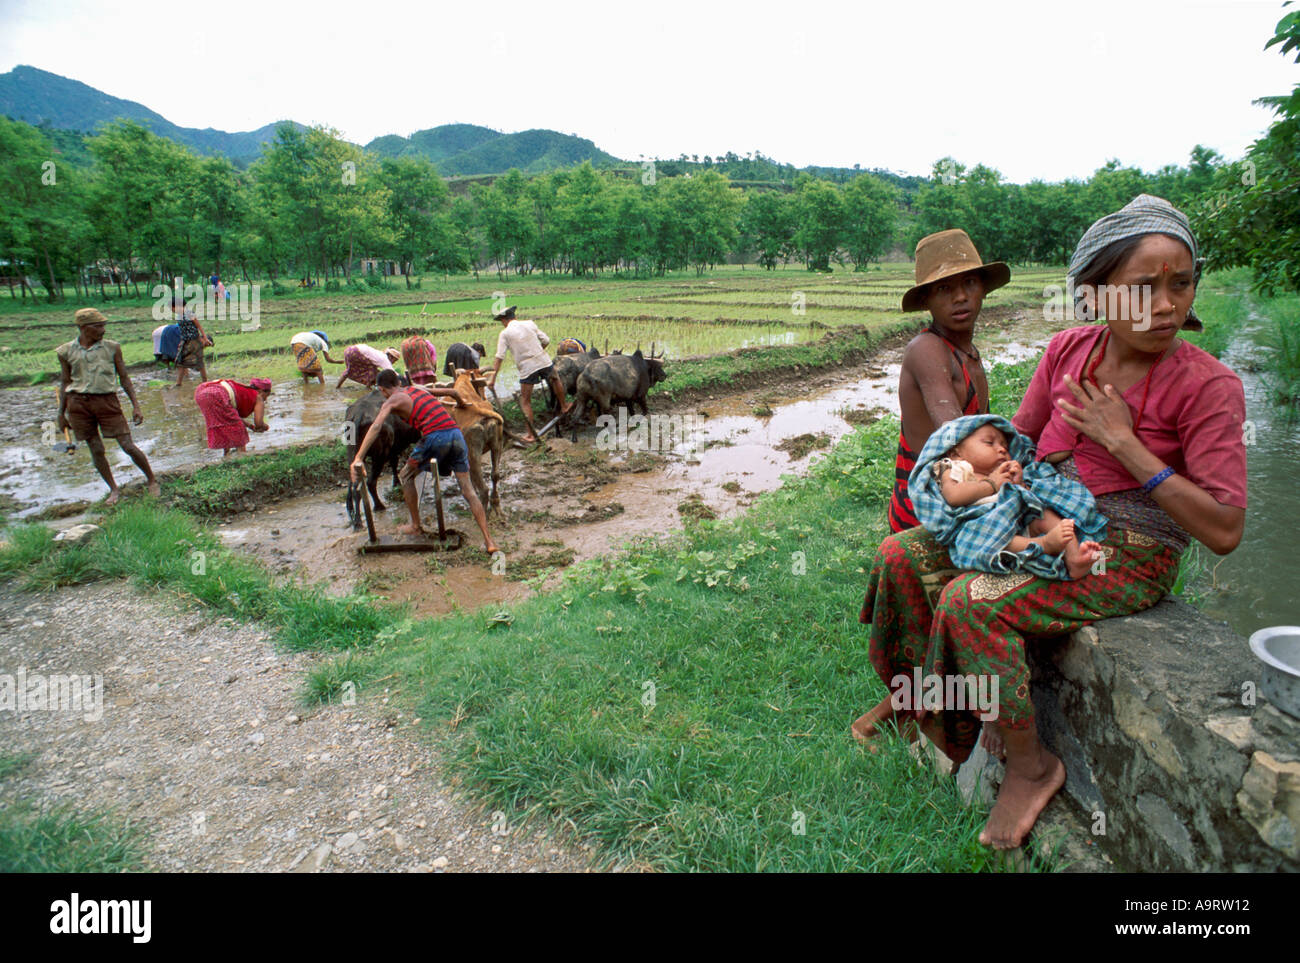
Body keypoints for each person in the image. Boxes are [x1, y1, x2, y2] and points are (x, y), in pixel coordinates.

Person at [854, 194, 1246, 851]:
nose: (1167, 304)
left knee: (971, 601)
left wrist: (1126, 446)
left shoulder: (1206, 386)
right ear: (1095, 293)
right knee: (900, 554)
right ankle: (923, 699)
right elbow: (1022, 442)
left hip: (1127, 549)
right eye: (1142, 287)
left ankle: (1031, 763)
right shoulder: (1069, 351)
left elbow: (1225, 531)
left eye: (1181, 283)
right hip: (1039, 524)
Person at [888, 230, 1009, 533]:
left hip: (964, 489)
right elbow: (954, 436)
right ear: (927, 299)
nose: (960, 297)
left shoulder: (968, 353)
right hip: (930, 505)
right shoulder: (926, 349)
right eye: (944, 288)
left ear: (982, 288)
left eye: (969, 282)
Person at [913, 414, 1105, 580]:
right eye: (989, 443)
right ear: (957, 452)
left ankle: (1074, 557)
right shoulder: (956, 467)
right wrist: (990, 484)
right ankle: (1044, 544)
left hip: (1018, 518)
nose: (1002, 449)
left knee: (1045, 514)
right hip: (985, 524)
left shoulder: (1002, 471)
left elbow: (1023, 498)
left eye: (1005, 445)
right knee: (999, 538)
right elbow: (953, 496)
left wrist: (1019, 484)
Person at [349, 369, 499, 554]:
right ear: (398, 381)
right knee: (468, 490)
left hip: (435, 436)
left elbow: (376, 426)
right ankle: (489, 541)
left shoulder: (393, 400)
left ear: (382, 389)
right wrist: (461, 404)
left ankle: (415, 525)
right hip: (456, 434)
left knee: (405, 475)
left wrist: (358, 457)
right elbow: (453, 392)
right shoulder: (417, 388)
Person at [56, 308, 161, 505]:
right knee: (95, 449)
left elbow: (124, 378)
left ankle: (152, 480)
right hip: (78, 404)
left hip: (106, 401)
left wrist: (136, 405)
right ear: (83, 328)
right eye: (98, 326)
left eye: (104, 325)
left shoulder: (112, 348)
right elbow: (65, 382)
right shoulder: (65, 351)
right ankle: (113, 489)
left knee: (128, 445)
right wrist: (61, 413)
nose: (103, 330)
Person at [484, 305, 572, 443]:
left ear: (504, 320)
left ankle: (530, 434)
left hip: (527, 368)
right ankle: (564, 405)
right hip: (543, 361)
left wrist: (492, 379)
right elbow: (546, 340)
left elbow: (499, 357)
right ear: (515, 317)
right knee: (555, 379)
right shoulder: (529, 323)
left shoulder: (505, 333)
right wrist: (537, 351)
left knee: (525, 401)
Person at [194, 377, 273, 456]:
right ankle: (241, 455)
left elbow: (234, 417)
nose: (265, 399)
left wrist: (250, 426)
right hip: (218, 394)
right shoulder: (258, 397)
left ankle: (227, 455)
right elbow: (258, 423)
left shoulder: (242, 390)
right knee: (239, 430)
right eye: (266, 396)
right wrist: (265, 426)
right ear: (261, 391)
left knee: (224, 423)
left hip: (201, 391)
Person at [171, 293, 211, 387]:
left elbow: (198, 326)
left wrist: (204, 338)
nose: (172, 310)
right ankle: (178, 383)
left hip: (194, 341)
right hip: (185, 342)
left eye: (172, 308)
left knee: (199, 362)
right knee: (181, 363)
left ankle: (205, 382)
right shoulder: (179, 315)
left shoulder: (189, 313)